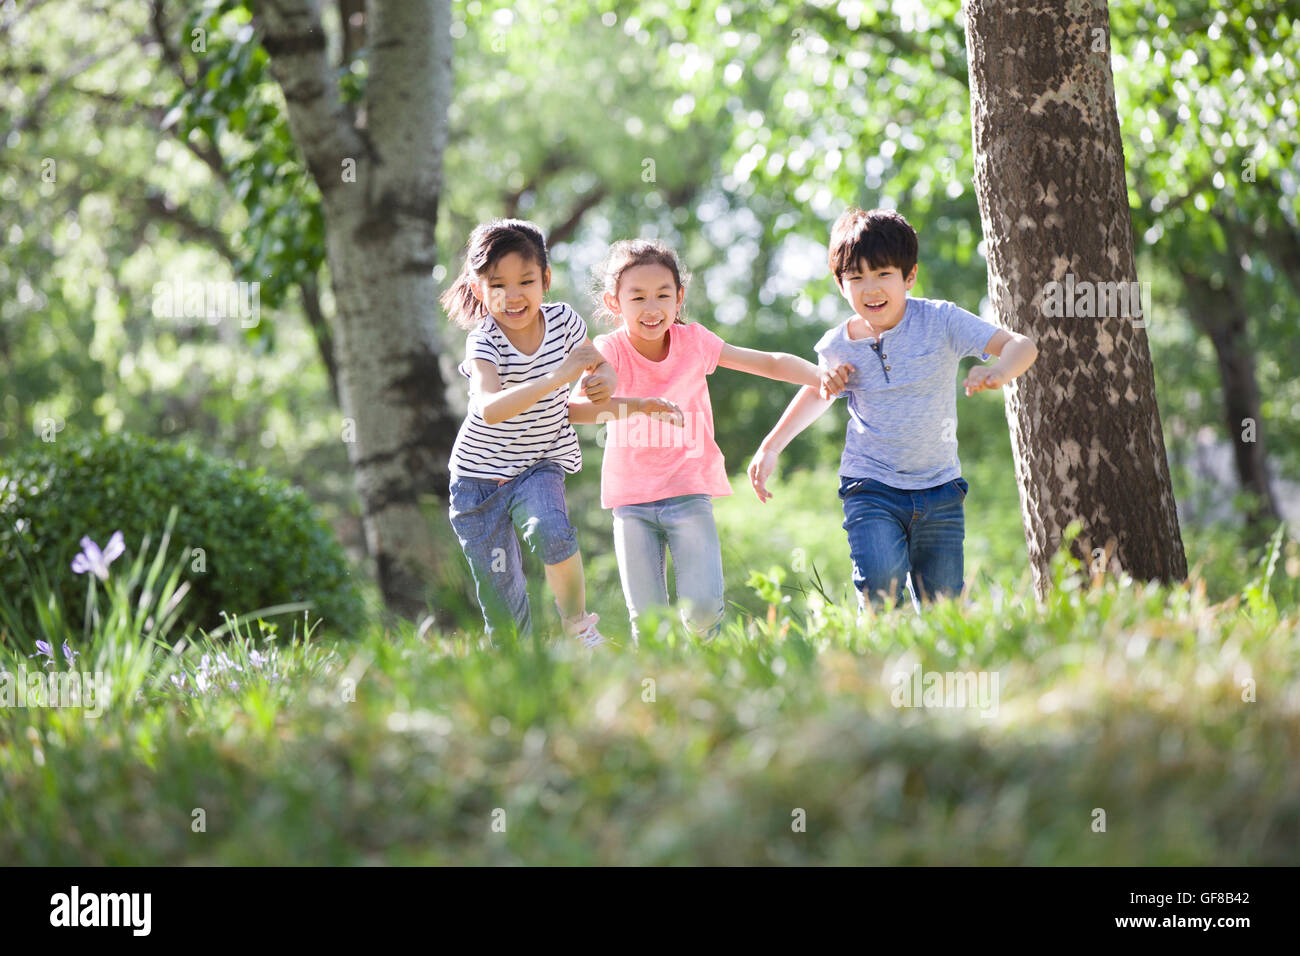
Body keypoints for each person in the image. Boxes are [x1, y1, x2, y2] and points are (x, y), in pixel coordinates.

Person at [747, 207, 1038, 612]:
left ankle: (934, 670)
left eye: (883, 274)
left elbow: (1022, 345)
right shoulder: (837, 344)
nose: (870, 289)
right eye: (856, 278)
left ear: (909, 276)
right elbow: (817, 392)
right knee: (880, 584)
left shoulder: (941, 321)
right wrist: (771, 446)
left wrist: (999, 371)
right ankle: (877, 658)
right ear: (840, 284)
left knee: (944, 608)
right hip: (871, 487)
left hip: (940, 489)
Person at [569, 238, 821, 642]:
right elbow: (576, 410)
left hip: (688, 490)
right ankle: (657, 693)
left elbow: (768, 362)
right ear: (614, 302)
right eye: (637, 297)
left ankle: (707, 680)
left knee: (703, 610)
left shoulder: (694, 343)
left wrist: (825, 376)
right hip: (631, 502)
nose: (652, 308)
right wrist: (637, 406)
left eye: (663, 295)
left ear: (679, 297)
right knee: (649, 623)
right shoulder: (607, 350)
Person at [441, 218, 616, 647]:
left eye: (526, 281)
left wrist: (605, 379)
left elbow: (598, 363)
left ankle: (579, 629)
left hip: (539, 464)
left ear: (546, 279)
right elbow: (490, 408)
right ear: (479, 288)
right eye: (497, 284)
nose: (514, 295)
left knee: (550, 530)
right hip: (477, 483)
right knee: (505, 602)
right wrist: (559, 377)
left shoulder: (564, 322)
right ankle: (516, 667)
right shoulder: (484, 342)